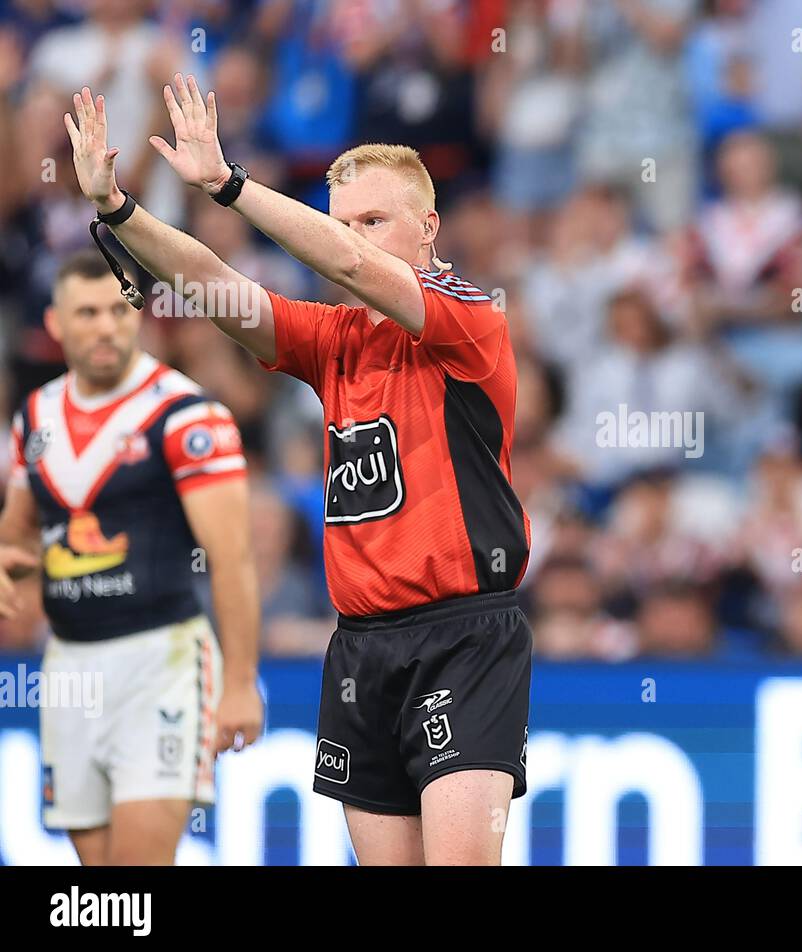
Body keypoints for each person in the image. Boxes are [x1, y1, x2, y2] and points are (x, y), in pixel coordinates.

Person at [62, 74, 531, 865]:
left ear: (429, 228)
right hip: (359, 648)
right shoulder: (336, 340)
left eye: (376, 220)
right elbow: (214, 285)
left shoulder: (471, 321)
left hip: (464, 639)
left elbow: (346, 263)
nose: (354, 237)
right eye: (345, 220)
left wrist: (228, 184)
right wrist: (118, 210)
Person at [0, 250, 261, 864]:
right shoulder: (35, 418)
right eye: (87, 313)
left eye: (119, 310)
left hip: (162, 660)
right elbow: (17, 536)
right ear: (56, 324)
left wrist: (242, 683)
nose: (105, 327)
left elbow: (233, 557)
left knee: (137, 877)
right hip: (68, 667)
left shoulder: (185, 414)